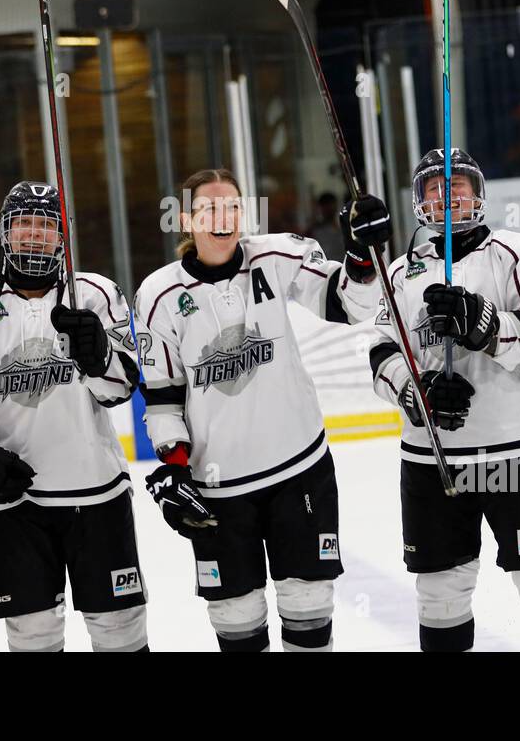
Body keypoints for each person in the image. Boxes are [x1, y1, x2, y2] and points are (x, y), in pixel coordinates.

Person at [133, 168, 389, 651]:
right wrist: (174, 468)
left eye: (231, 206)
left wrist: (360, 254)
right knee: (236, 620)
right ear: (186, 219)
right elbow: (163, 394)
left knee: (309, 610)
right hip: (219, 488)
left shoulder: (278, 254)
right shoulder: (158, 296)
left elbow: (350, 305)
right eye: (208, 209)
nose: (222, 217)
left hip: (300, 471)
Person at [369, 148, 520, 652]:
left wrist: (480, 322)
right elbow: (382, 353)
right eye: (434, 187)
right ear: (419, 201)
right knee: (440, 590)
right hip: (433, 459)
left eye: (459, 185)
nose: (448, 195)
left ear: (478, 194)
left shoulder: (518, 251)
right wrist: (420, 392)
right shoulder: (401, 272)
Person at [0, 181, 147, 652]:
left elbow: (120, 390)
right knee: (33, 637)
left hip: (96, 492)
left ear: (62, 236)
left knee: (120, 628)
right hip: (16, 503)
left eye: (46, 225)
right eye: (24, 224)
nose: (34, 235)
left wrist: (98, 358)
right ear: (5, 233)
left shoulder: (95, 292)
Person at [307, 192, 344, 262]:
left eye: (331, 205)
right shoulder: (314, 231)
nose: (329, 209)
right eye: (326, 206)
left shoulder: (344, 227)